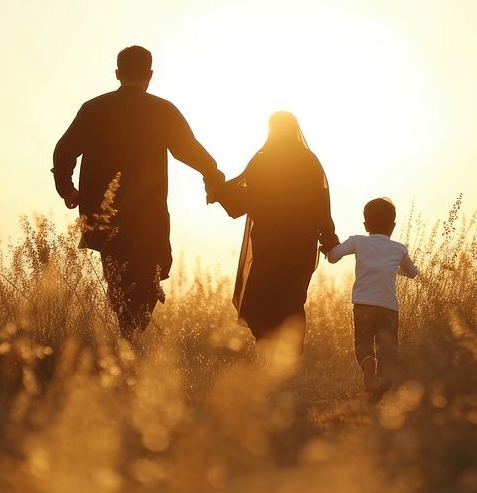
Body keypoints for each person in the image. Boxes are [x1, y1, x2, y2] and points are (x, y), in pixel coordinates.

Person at [52, 45, 224, 338]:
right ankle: (131, 331)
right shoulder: (162, 110)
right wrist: (213, 174)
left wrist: (67, 189)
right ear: (150, 75)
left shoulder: (94, 109)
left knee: (116, 275)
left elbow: (63, 151)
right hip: (148, 212)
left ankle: (127, 332)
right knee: (153, 267)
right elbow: (189, 150)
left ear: (118, 73)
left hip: (104, 214)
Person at [214, 112, 340, 346]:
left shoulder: (263, 160)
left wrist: (218, 189)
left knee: (261, 296)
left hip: (268, 244)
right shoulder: (309, 162)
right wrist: (330, 239)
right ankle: (285, 357)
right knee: (291, 299)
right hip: (300, 247)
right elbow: (321, 205)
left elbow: (242, 200)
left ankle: (270, 351)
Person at [325, 198, 419, 402]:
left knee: (363, 343)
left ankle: (369, 374)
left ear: (366, 224)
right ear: (393, 226)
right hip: (389, 307)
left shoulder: (358, 241)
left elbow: (333, 256)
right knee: (388, 348)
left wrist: (325, 248)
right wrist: (394, 268)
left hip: (363, 304)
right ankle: (382, 382)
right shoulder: (399, 249)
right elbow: (412, 273)